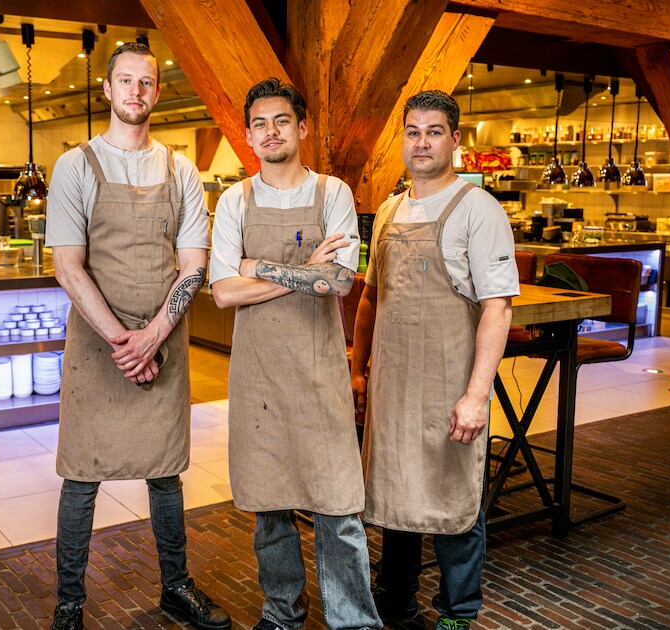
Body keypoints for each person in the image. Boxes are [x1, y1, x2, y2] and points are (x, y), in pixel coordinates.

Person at [44, 42, 230, 630]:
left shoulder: (182, 170)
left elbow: (194, 265)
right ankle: (68, 606)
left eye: (146, 83)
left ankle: (175, 587)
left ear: (157, 90)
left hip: (163, 337)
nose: (136, 92)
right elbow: (69, 267)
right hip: (100, 348)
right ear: (107, 89)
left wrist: (154, 335)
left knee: (166, 471)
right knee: (81, 475)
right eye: (125, 81)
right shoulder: (75, 167)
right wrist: (127, 343)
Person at [209, 77, 382, 630]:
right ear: (248, 135)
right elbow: (221, 292)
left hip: (318, 372)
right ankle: (282, 613)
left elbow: (339, 283)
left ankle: (353, 620)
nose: (271, 131)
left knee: (338, 504)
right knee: (269, 506)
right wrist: (305, 273)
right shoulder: (235, 199)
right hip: (257, 379)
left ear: (302, 127)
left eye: (281, 120)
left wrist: (255, 267)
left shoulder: (333, 193)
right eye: (259, 123)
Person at [350, 89, 518, 630]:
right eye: (413, 132)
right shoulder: (390, 210)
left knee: (452, 501)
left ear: (455, 140)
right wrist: (358, 367)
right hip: (394, 386)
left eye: (434, 132)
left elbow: (497, 309)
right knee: (399, 492)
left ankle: (457, 612)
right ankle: (394, 599)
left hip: (450, 388)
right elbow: (372, 297)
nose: (422, 143)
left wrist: (476, 396)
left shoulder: (478, 210)